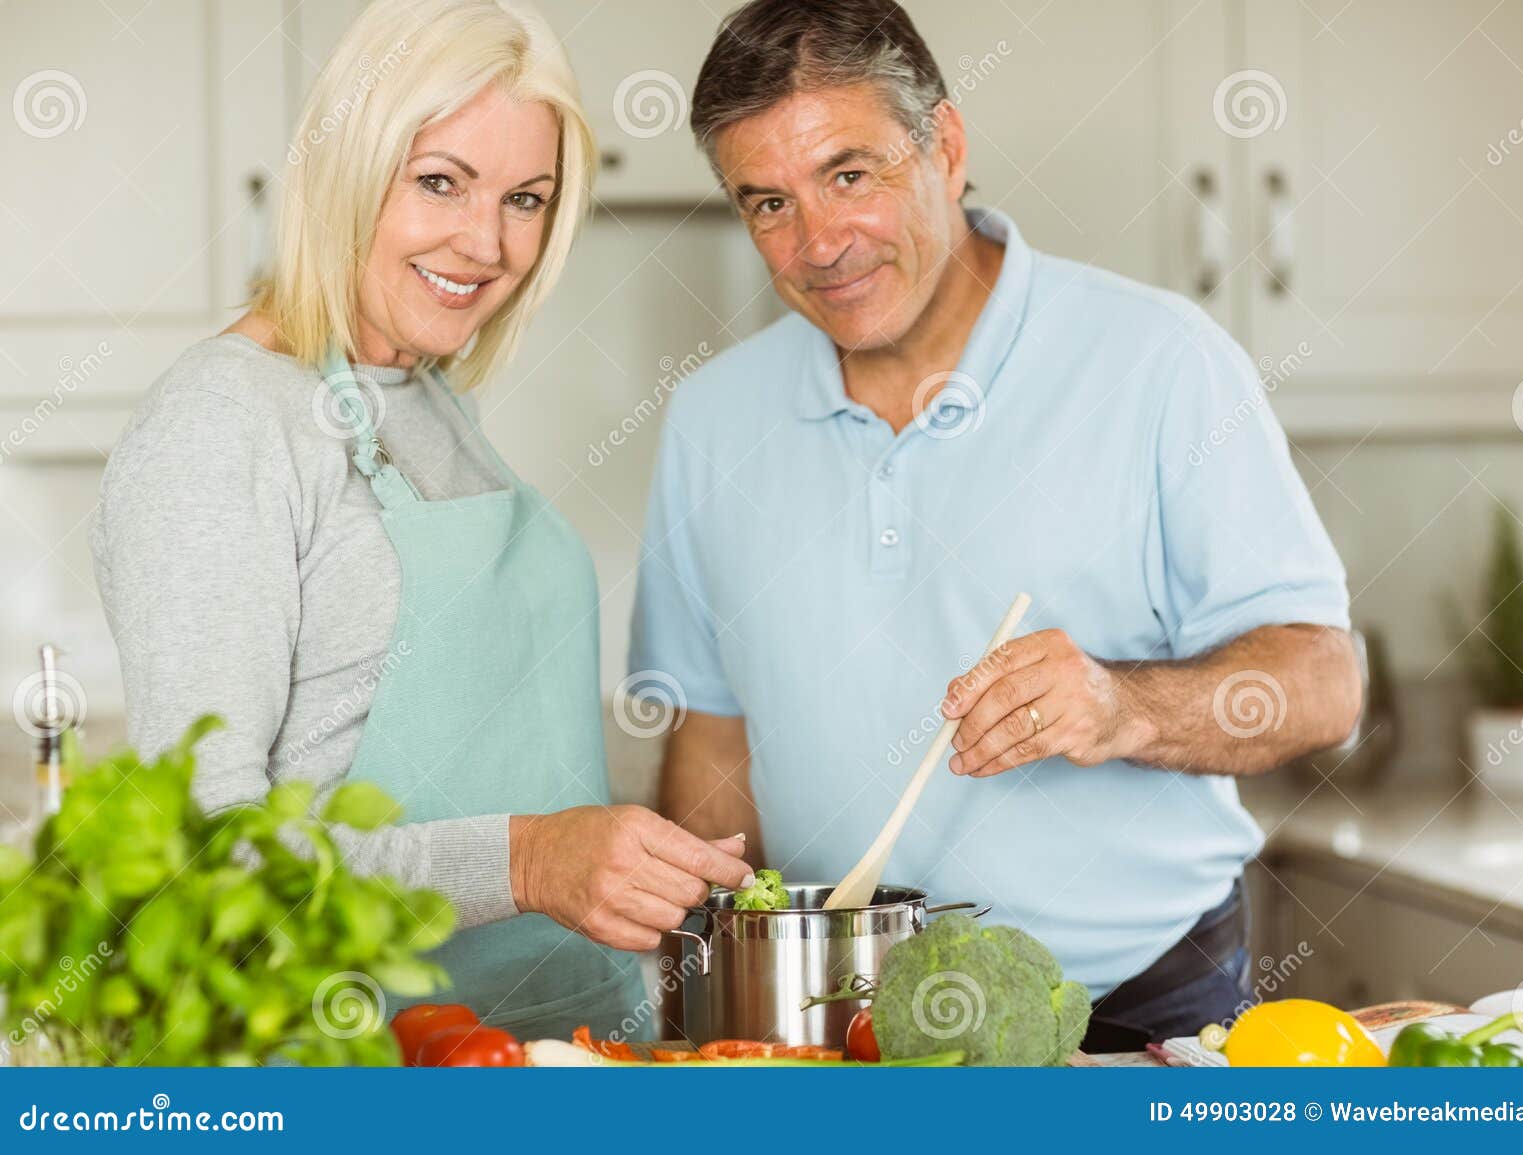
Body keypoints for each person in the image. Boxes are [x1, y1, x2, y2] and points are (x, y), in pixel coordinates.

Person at [629, 0, 1361, 1053]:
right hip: (833, 1023)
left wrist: (1124, 707)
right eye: (767, 203)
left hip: (1137, 1007)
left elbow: (1321, 682)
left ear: (947, 148)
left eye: (850, 175)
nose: (819, 243)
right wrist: (696, 1004)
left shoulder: (1161, 363)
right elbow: (711, 735)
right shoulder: (711, 418)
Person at [91, 0, 751, 1044]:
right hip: (335, 1060)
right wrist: (530, 859)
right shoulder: (221, 426)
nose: (485, 243)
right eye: (438, 180)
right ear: (347, 166)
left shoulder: (430, 398)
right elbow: (203, 854)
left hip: (543, 1045)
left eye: (525, 198)